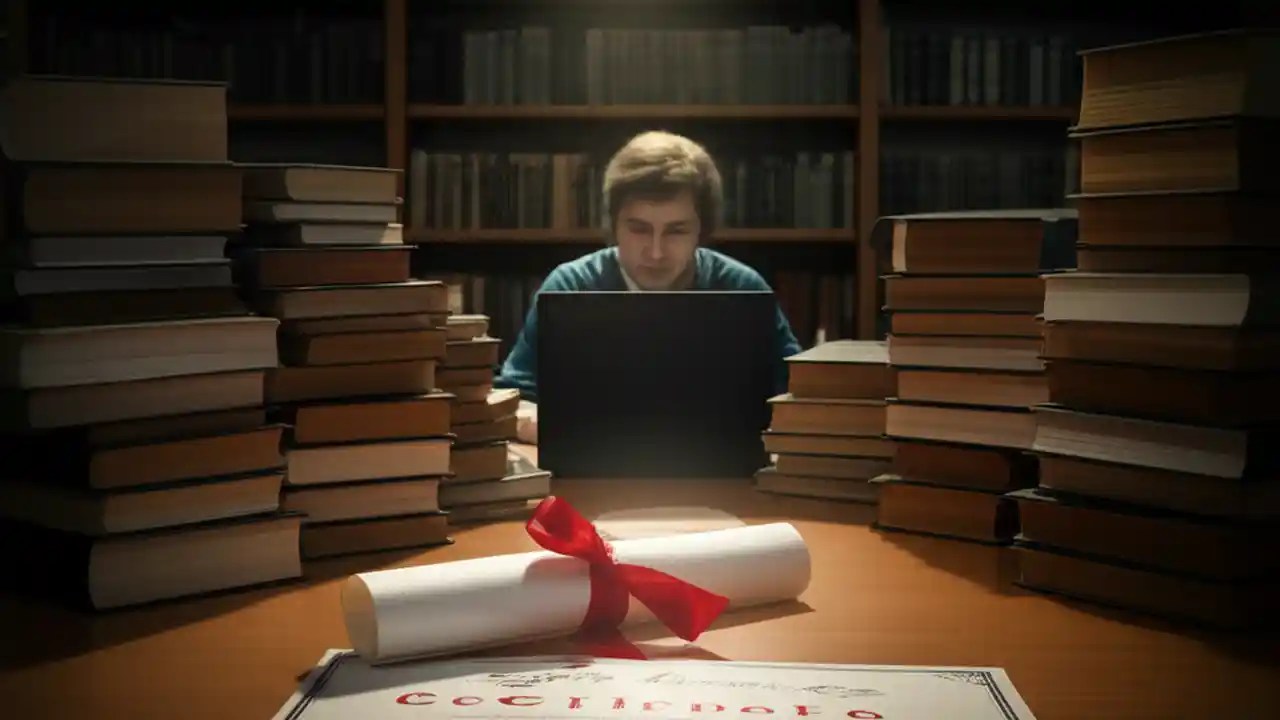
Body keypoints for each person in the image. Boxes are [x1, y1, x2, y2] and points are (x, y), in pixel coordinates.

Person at [494, 130, 803, 443]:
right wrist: (545, 425)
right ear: (613, 225)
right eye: (639, 229)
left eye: (676, 231)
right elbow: (510, 398)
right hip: (590, 482)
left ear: (702, 231)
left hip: (721, 483)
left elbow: (801, 397)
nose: (656, 252)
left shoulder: (742, 289)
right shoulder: (570, 287)